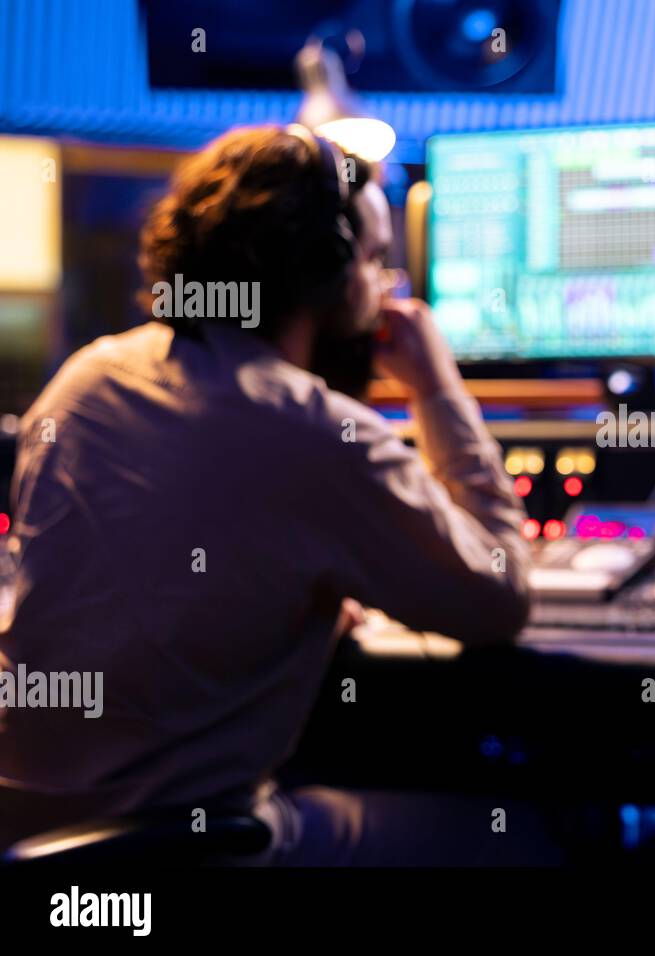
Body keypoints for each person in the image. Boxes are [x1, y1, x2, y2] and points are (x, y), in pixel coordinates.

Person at [0, 125, 548, 864]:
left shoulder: (88, 377)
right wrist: (437, 389)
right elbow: (499, 596)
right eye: (376, 259)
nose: (386, 285)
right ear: (328, 266)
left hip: (24, 837)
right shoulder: (319, 431)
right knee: (524, 839)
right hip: (190, 846)